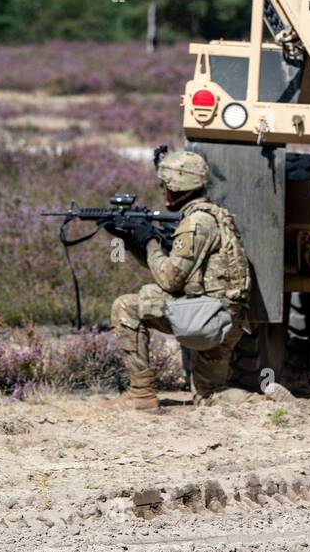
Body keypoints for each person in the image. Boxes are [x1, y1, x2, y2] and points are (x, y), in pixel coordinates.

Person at [106, 150, 250, 411]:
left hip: (207, 318)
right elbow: (175, 270)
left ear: (174, 188)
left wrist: (149, 241)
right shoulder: (213, 215)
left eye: (164, 186)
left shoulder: (195, 223)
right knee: (208, 396)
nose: (162, 192)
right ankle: (262, 401)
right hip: (223, 316)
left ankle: (141, 396)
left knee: (125, 307)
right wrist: (133, 242)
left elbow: (170, 280)